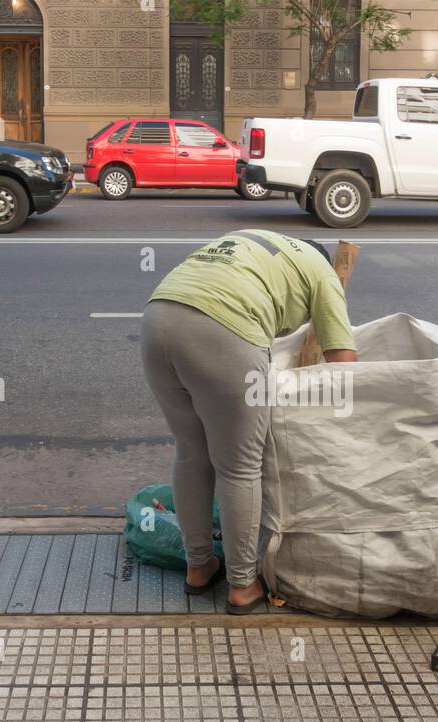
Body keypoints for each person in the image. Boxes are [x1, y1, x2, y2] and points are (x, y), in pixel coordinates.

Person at [141, 230, 358, 613]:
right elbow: (343, 364)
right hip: (224, 329)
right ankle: (242, 585)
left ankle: (199, 566)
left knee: (192, 455)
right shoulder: (322, 273)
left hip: (158, 318)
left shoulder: (254, 240)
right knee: (240, 467)